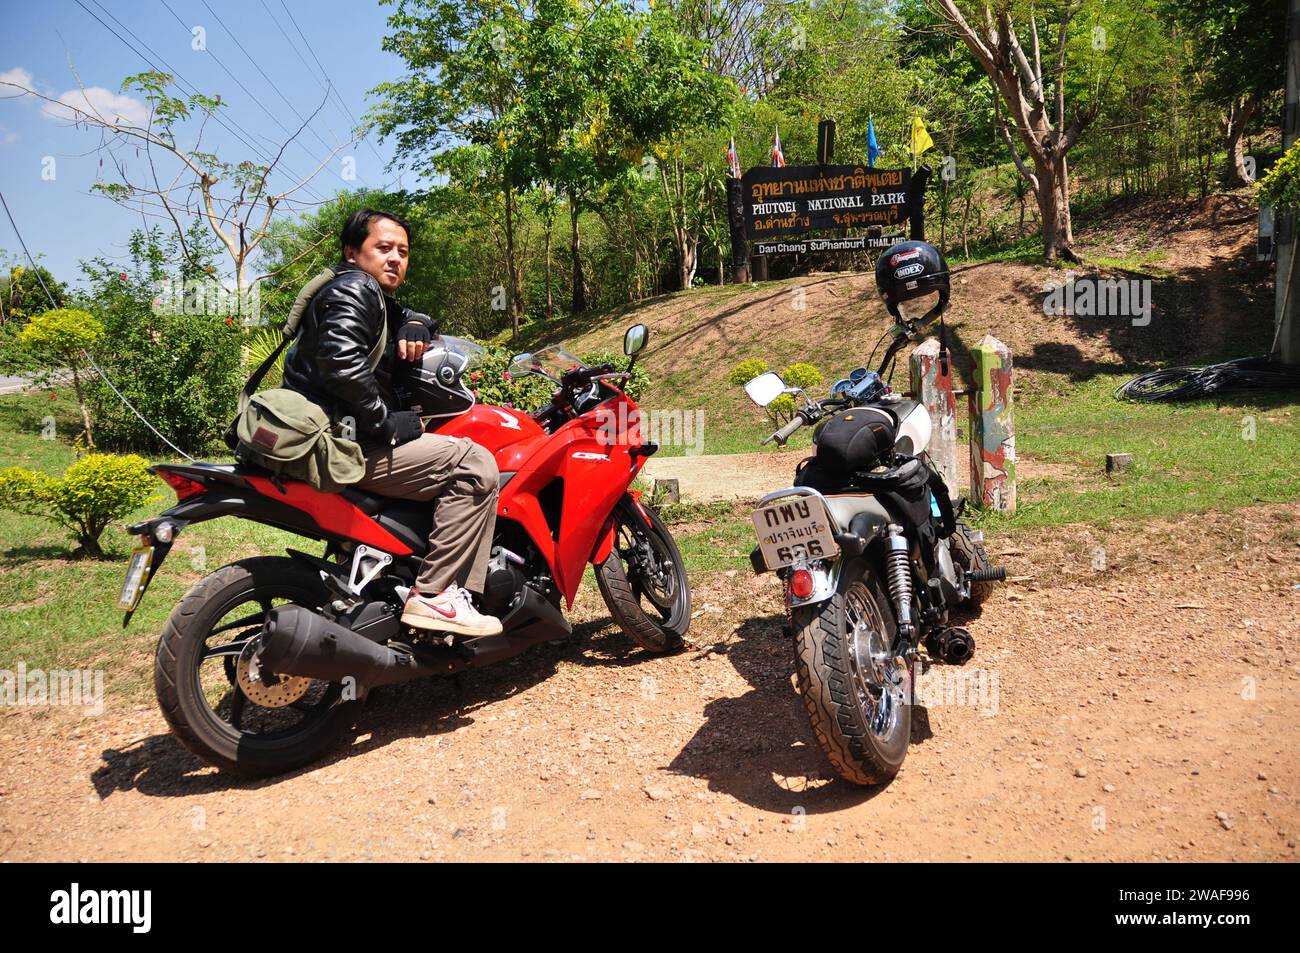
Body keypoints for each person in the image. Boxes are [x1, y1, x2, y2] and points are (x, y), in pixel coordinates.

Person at [282, 208, 504, 636]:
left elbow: (398, 318)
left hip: (329, 439)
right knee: (474, 464)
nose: (395, 259)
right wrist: (385, 423)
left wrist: (415, 323)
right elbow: (342, 366)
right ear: (352, 252)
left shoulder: (360, 294)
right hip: (347, 445)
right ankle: (436, 594)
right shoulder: (356, 287)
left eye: (402, 252)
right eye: (382, 248)